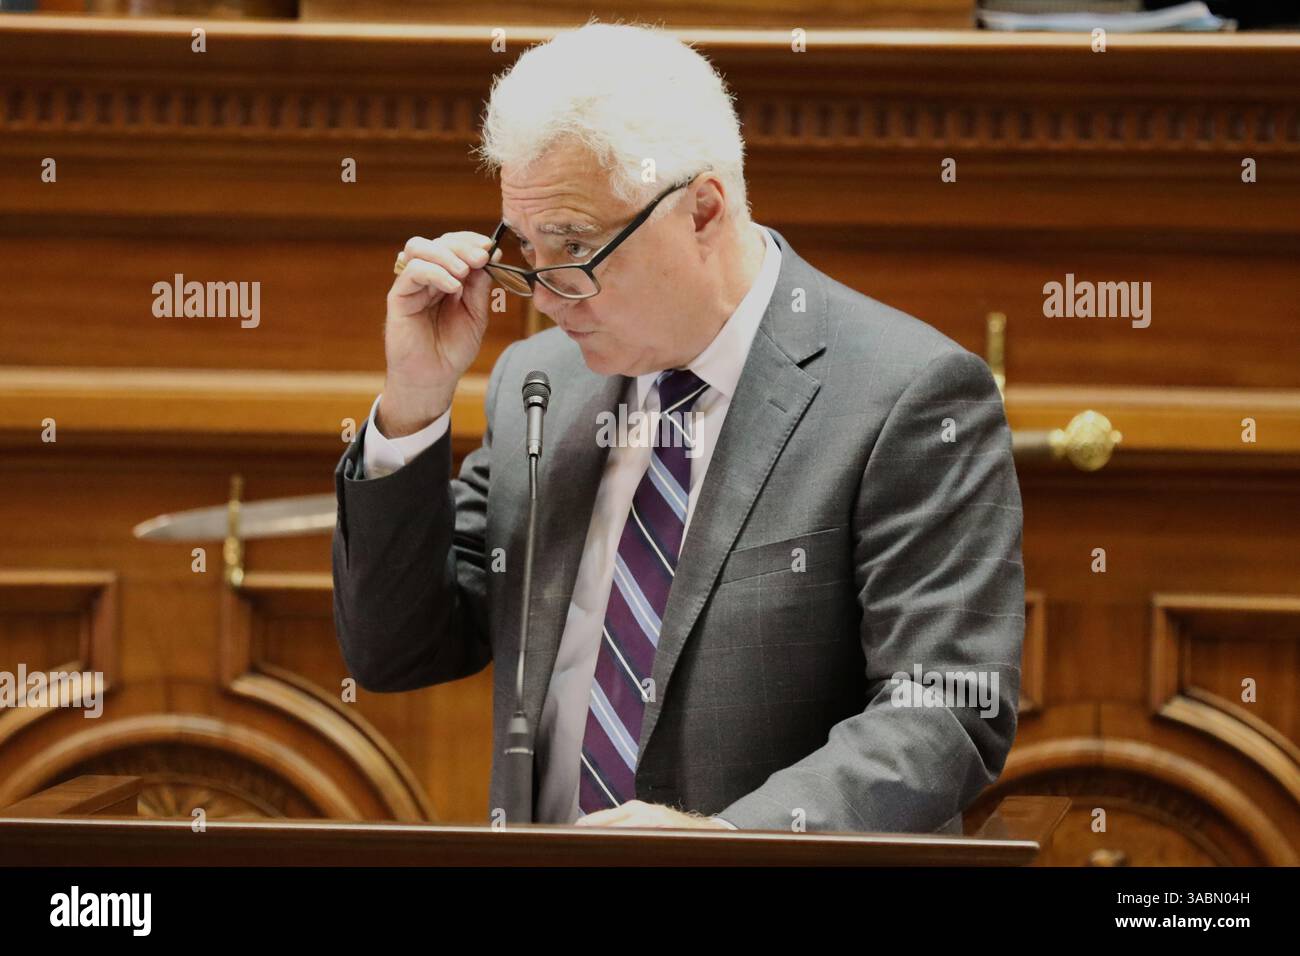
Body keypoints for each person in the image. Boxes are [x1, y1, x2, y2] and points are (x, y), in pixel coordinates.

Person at [331, 21, 1024, 833]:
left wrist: (729, 844)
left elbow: (944, 708)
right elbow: (398, 650)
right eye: (525, 248)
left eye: (575, 247)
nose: (544, 297)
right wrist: (414, 400)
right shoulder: (538, 383)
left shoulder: (909, 394)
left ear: (701, 209)